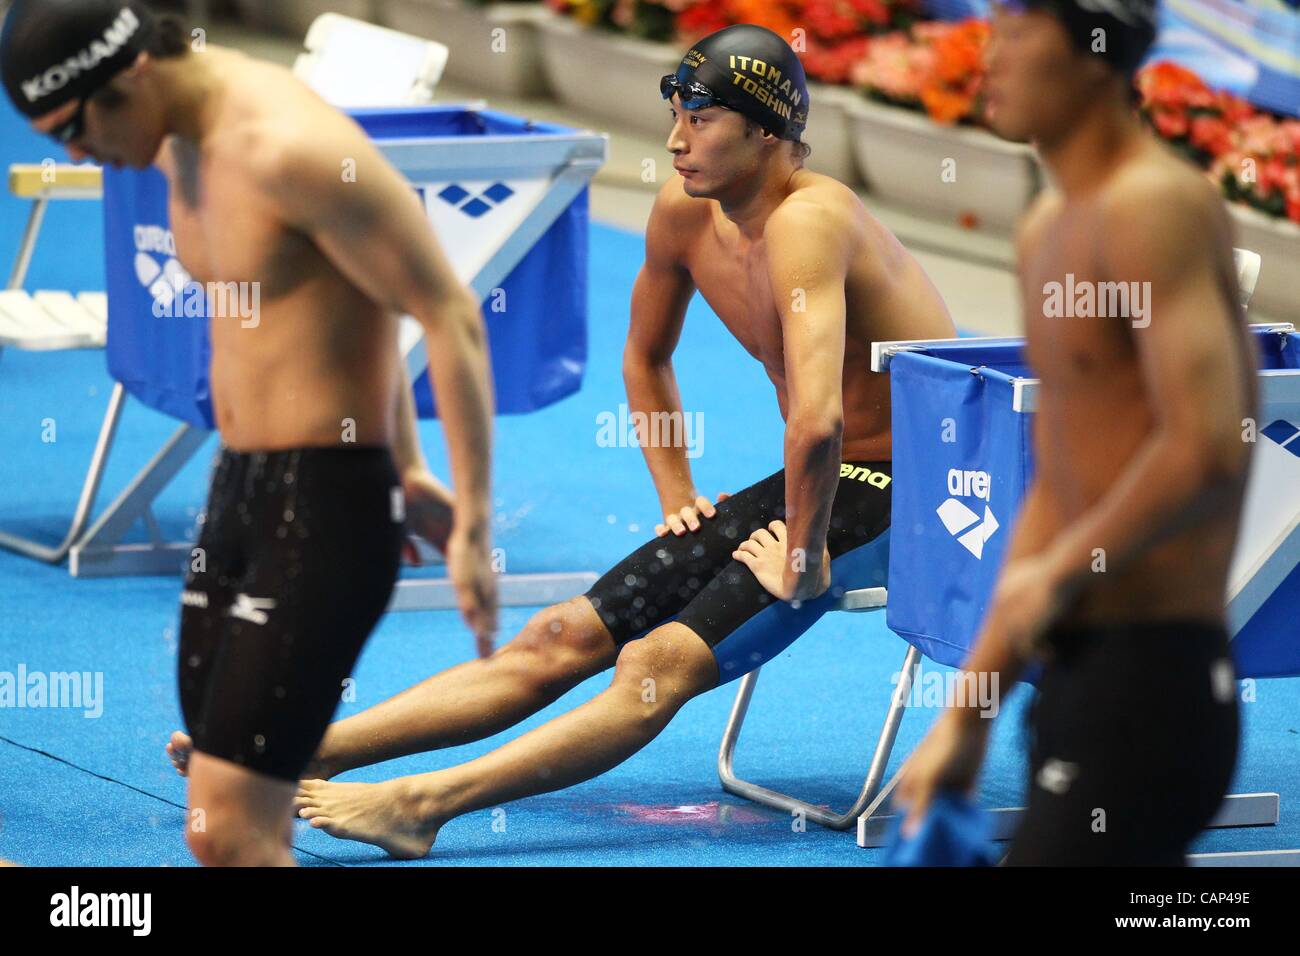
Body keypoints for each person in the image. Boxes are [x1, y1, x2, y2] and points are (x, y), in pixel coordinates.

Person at [256, 24, 957, 858]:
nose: (675, 140)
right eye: (676, 114)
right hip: (828, 474)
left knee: (653, 665)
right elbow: (645, 357)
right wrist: (676, 492)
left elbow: (817, 419)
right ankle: (296, 753)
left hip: (923, 488)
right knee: (559, 635)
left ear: (767, 132)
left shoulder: (811, 221)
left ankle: (421, 805)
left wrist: (804, 556)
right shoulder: (686, 213)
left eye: (701, 119)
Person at [0, 0, 499, 866]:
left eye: (73, 130)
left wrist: (473, 521)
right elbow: (352, 300)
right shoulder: (173, 136)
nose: (76, 156)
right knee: (222, 823)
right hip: (239, 486)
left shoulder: (290, 147)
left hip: (327, 507)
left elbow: (445, 310)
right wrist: (408, 460)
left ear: (132, 75)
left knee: (232, 832)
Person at [896, 0, 1253, 864]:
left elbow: (1207, 444)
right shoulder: (1046, 232)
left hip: (1156, 684)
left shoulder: (1154, 207)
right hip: (1073, 678)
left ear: (1097, 51)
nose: (988, 57)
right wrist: (969, 712)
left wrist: (1060, 573)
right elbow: (1057, 488)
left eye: (1018, 34)